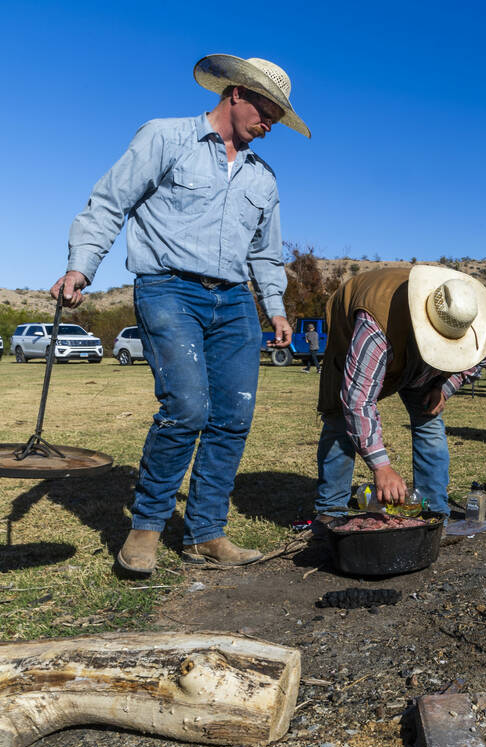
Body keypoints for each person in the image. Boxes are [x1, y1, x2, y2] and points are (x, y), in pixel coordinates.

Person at [52, 54, 309, 575]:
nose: (270, 124)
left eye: (278, 119)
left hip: (234, 302)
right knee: (187, 408)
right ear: (237, 93)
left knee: (233, 417)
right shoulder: (165, 137)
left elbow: (265, 254)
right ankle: (145, 529)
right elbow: (110, 202)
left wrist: (276, 309)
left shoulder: (263, 178)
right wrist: (81, 267)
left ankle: (205, 534)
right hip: (168, 288)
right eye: (266, 112)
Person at [314, 266, 486, 517]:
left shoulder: (470, 319)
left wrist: (444, 388)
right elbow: (357, 401)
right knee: (339, 420)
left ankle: (433, 513)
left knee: (429, 419)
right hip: (359, 339)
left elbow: (480, 358)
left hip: (420, 366)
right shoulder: (375, 323)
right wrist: (381, 467)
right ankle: (331, 510)